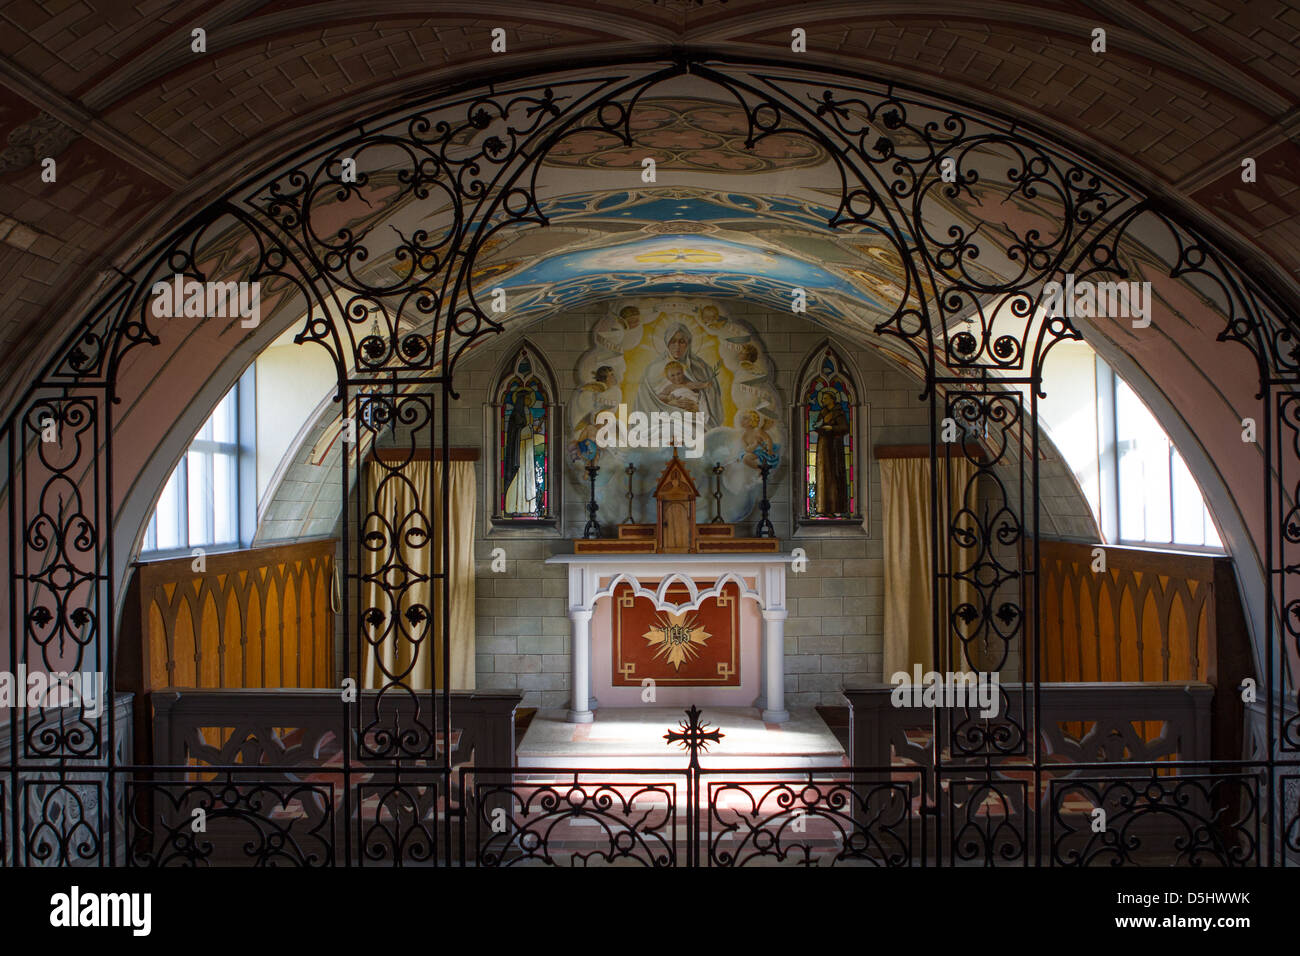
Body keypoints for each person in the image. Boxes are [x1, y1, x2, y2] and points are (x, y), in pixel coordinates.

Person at [503, 387, 541, 514]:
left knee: (528, 476)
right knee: (520, 477)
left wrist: (532, 428)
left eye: (530, 398)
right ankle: (516, 507)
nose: (529, 400)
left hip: (527, 449)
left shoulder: (526, 412)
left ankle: (528, 507)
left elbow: (525, 430)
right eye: (526, 398)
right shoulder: (516, 414)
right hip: (519, 451)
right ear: (521, 399)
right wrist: (530, 428)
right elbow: (518, 432)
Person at [812, 388, 849, 515]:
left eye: (825, 398)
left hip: (833, 446)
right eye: (822, 398)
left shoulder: (838, 412)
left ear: (832, 399)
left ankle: (836, 508)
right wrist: (819, 427)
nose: (822, 400)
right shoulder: (823, 412)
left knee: (834, 474)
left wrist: (832, 428)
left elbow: (844, 427)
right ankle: (822, 508)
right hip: (823, 445)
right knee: (823, 474)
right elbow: (816, 424)